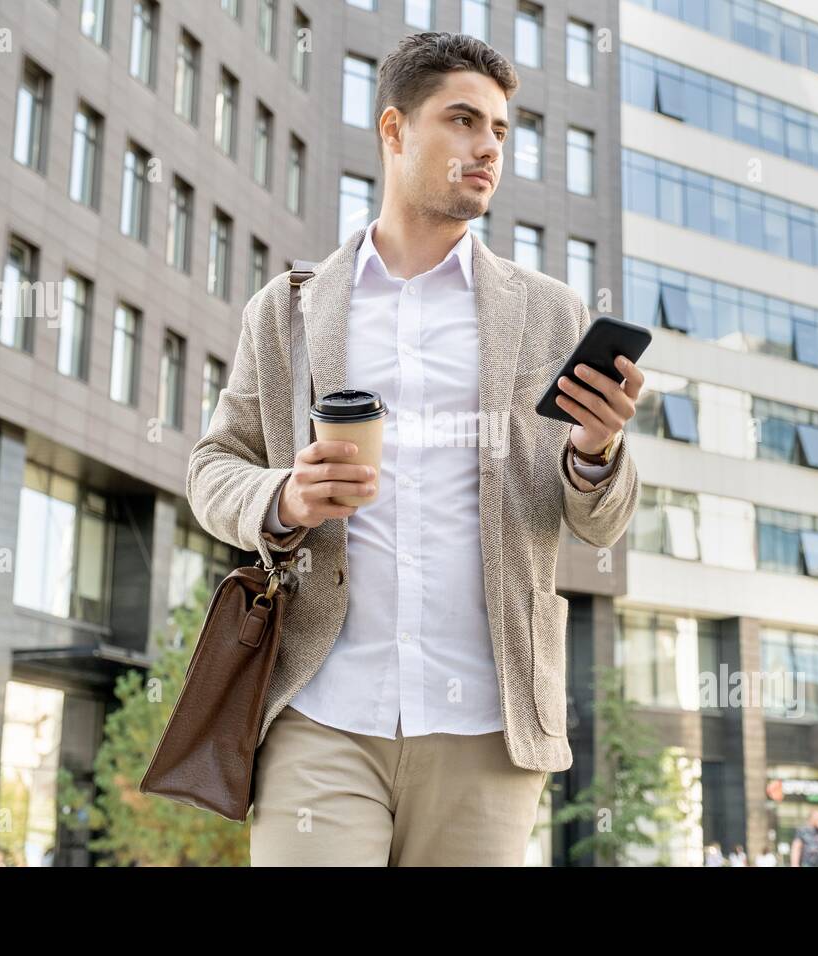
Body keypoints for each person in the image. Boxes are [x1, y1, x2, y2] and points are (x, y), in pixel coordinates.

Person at [188, 31, 642, 866]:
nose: (487, 148)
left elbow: (600, 523)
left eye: (501, 130)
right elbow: (212, 469)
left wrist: (595, 450)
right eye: (463, 120)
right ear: (394, 131)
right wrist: (283, 498)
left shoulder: (548, 315)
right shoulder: (288, 311)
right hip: (322, 712)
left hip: (487, 721)